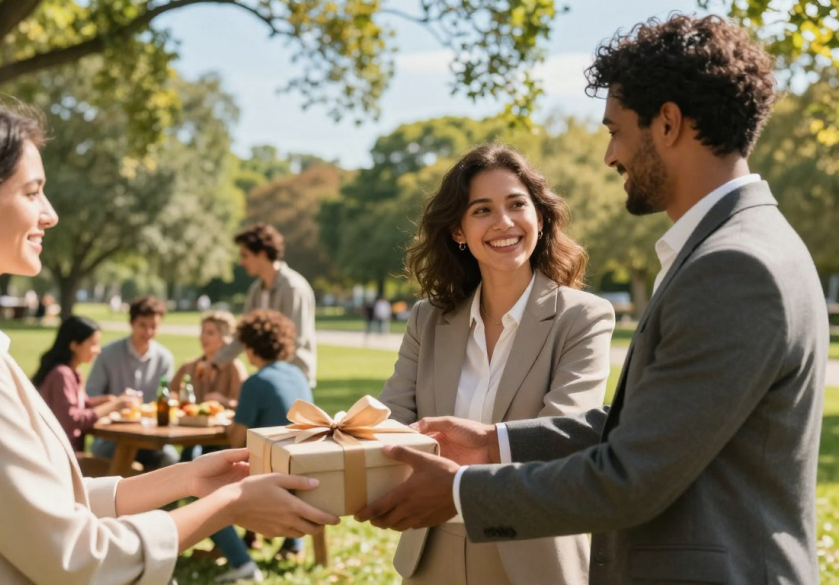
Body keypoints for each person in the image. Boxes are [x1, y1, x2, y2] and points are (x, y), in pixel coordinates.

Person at [356, 15, 828, 584]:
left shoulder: (734, 265)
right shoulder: (739, 245)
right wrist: (494, 441)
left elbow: (631, 474)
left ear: (669, 124)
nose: (610, 155)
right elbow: (648, 423)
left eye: (616, 130)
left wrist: (458, 491)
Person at [0, 98, 339, 584]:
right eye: (32, 191)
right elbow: (73, 556)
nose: (51, 213)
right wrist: (228, 508)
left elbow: (38, 504)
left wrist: (187, 480)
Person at [376, 143, 614, 584]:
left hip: (533, 554)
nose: (503, 222)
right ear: (458, 232)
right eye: (482, 210)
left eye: (516, 204)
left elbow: (561, 436)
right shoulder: (427, 319)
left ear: (540, 220)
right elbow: (389, 424)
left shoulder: (583, 317)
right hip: (432, 553)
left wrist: (458, 480)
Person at [210, 309, 314, 582]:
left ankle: (241, 562)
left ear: (249, 347)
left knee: (204, 482)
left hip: (273, 474)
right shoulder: (297, 374)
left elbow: (235, 440)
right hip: (307, 466)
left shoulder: (255, 382)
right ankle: (292, 545)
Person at [212, 224, 317, 386]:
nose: (241, 262)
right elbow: (243, 334)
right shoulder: (256, 290)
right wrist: (215, 363)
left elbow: (296, 339)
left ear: (261, 254)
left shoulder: (293, 288)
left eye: (245, 255)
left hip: (294, 378)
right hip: (269, 377)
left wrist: (268, 371)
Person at [87, 295, 178, 469]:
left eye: (154, 326)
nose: (148, 332)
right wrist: (116, 403)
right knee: (117, 458)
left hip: (152, 437)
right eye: (143, 325)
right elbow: (91, 395)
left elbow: (165, 399)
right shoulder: (107, 355)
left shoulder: (164, 358)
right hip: (112, 438)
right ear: (131, 323)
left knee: (170, 459)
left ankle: (159, 497)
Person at [32, 316, 134, 452]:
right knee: (122, 468)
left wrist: (107, 400)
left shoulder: (73, 373)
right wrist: (114, 405)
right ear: (74, 345)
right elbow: (73, 419)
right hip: (61, 456)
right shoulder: (61, 374)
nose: (98, 350)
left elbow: (80, 406)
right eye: (93, 344)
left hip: (69, 452)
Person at [169, 310, 248, 461]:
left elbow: (244, 407)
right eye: (202, 331)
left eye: (210, 333)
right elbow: (170, 394)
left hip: (220, 439)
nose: (203, 337)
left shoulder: (235, 368)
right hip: (190, 433)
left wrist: (223, 401)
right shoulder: (190, 366)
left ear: (225, 338)